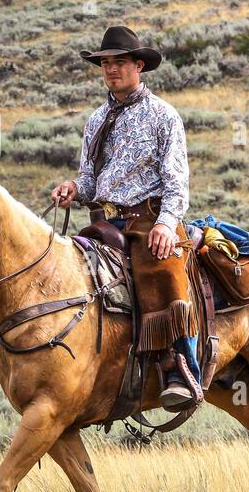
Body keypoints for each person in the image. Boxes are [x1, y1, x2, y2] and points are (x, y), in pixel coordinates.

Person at [51, 25, 200, 410]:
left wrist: (167, 224)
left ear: (139, 66)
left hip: (147, 218)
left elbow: (176, 179)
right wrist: (73, 189)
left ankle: (179, 368)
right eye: (105, 63)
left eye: (119, 62)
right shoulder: (96, 119)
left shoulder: (163, 116)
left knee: (164, 270)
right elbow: (89, 179)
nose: (111, 69)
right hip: (102, 222)